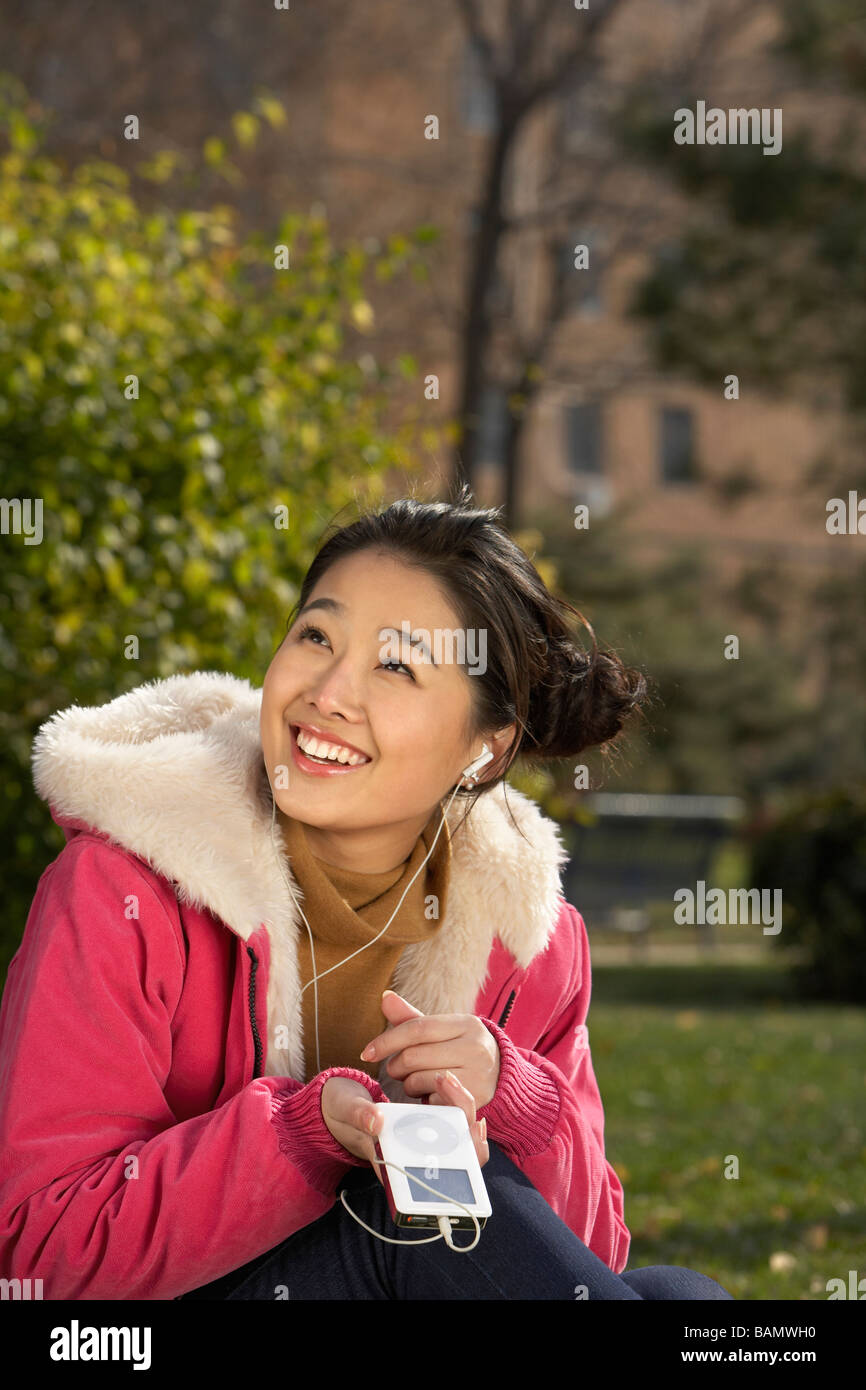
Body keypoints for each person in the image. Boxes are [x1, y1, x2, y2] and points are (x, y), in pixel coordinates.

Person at [0, 489, 733, 1300]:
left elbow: (590, 1265)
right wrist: (301, 1136)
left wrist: (518, 1103)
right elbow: (37, 1253)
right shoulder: (126, 889)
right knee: (427, 1224)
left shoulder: (528, 938)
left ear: (485, 750)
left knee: (676, 1297)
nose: (328, 694)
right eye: (316, 636)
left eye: (396, 666)